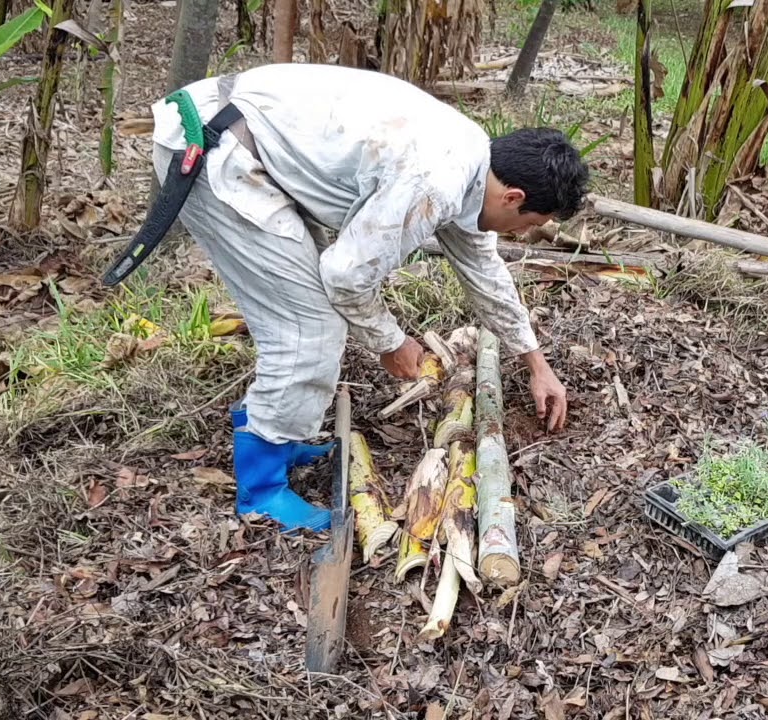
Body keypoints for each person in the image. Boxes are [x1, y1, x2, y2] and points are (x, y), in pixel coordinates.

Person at [145, 63, 589, 534]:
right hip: (217, 148)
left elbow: (485, 272)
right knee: (308, 328)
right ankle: (263, 489)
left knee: (313, 318)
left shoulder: (477, 161)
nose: (520, 234)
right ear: (514, 197)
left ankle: (279, 431)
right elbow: (346, 277)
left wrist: (536, 363)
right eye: (526, 223)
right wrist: (391, 342)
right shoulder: (435, 182)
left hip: (243, 131)